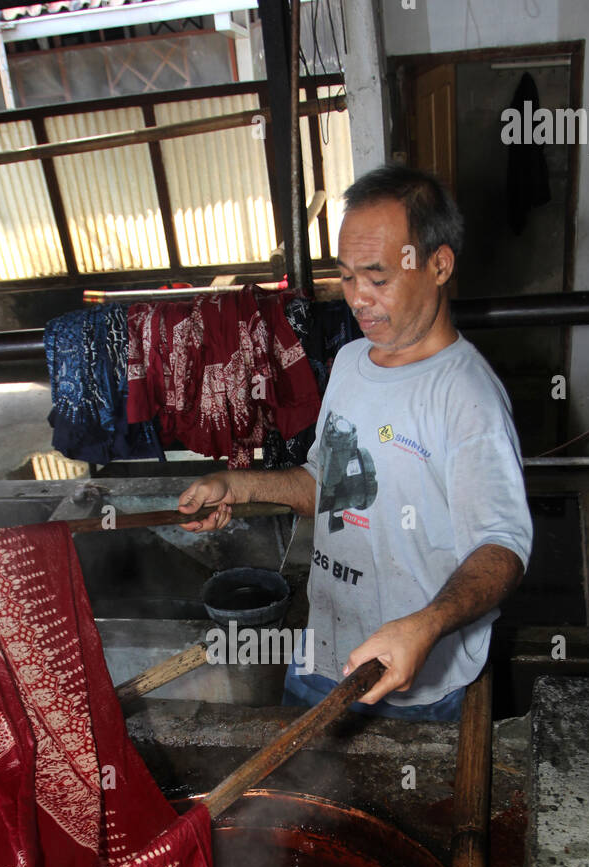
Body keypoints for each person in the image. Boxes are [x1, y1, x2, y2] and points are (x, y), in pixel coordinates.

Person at [178, 164, 533, 720]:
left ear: (438, 265)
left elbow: (503, 547)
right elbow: (327, 482)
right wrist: (236, 485)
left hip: (410, 682)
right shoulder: (349, 362)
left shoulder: (467, 397)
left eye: (378, 276)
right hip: (322, 650)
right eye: (346, 277)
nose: (358, 300)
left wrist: (426, 624)